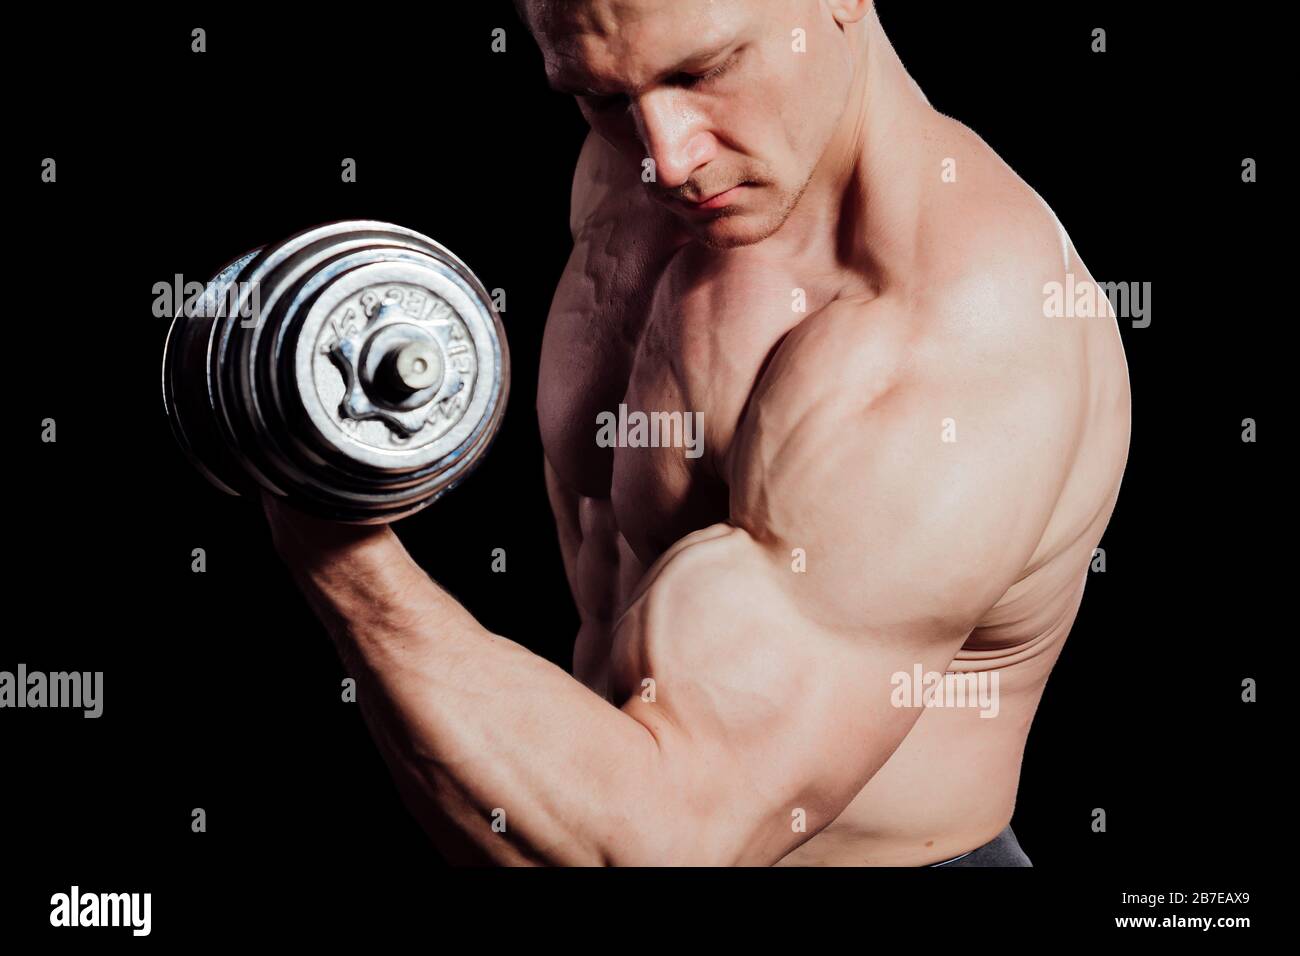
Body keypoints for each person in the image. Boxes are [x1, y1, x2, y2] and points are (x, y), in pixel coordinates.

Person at [262, 0, 1131, 865]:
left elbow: (666, 839)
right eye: (601, 94)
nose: (669, 159)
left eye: (702, 72)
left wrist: (334, 544)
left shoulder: (958, 339)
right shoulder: (639, 160)